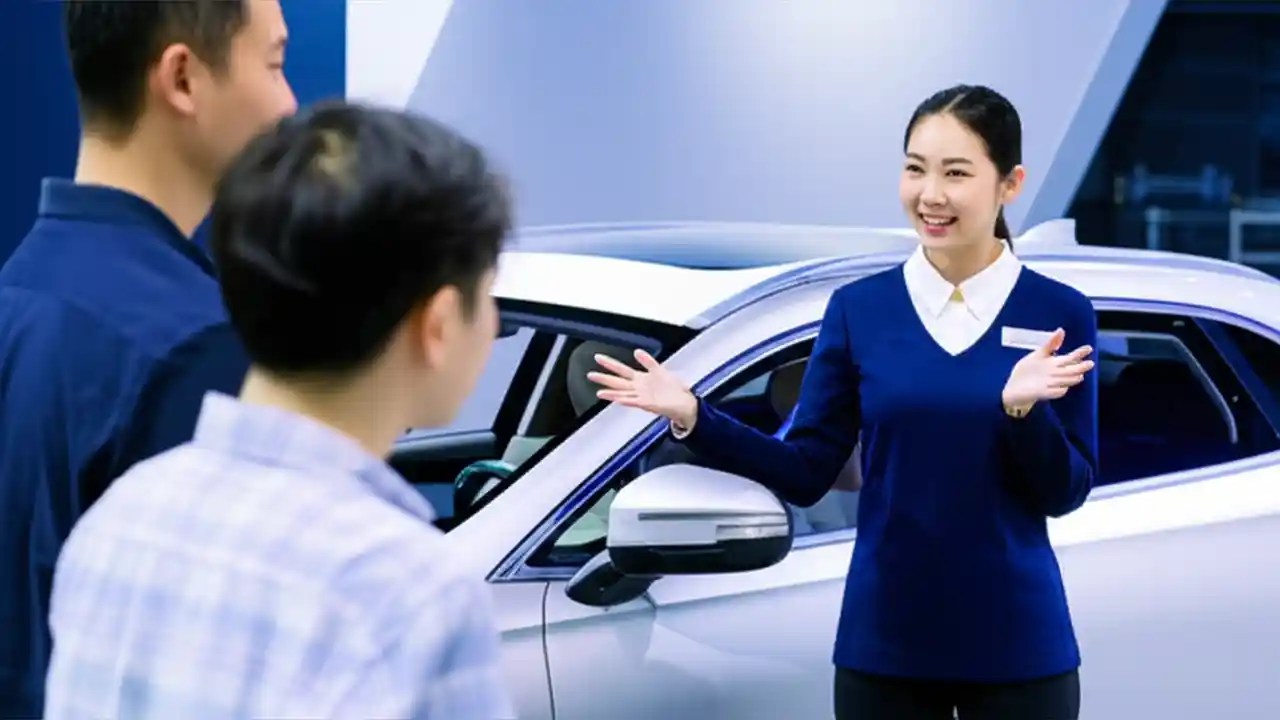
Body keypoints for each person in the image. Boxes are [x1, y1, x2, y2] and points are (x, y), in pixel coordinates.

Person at [589, 84, 1098, 720]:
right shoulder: (860, 311)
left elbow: (1065, 492)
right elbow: (804, 471)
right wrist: (693, 414)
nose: (930, 194)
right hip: (885, 649)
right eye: (915, 168)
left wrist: (1024, 414)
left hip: (1020, 649)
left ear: (1010, 184)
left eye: (956, 173)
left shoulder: (1058, 313)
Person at [44, 101, 516, 720]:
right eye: (485, 296)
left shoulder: (120, 518)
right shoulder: (410, 593)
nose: (497, 322)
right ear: (436, 324)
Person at [0, 2, 296, 715]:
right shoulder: (199, 349)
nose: (290, 104)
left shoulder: (19, 296)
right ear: (183, 79)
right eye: (275, 64)